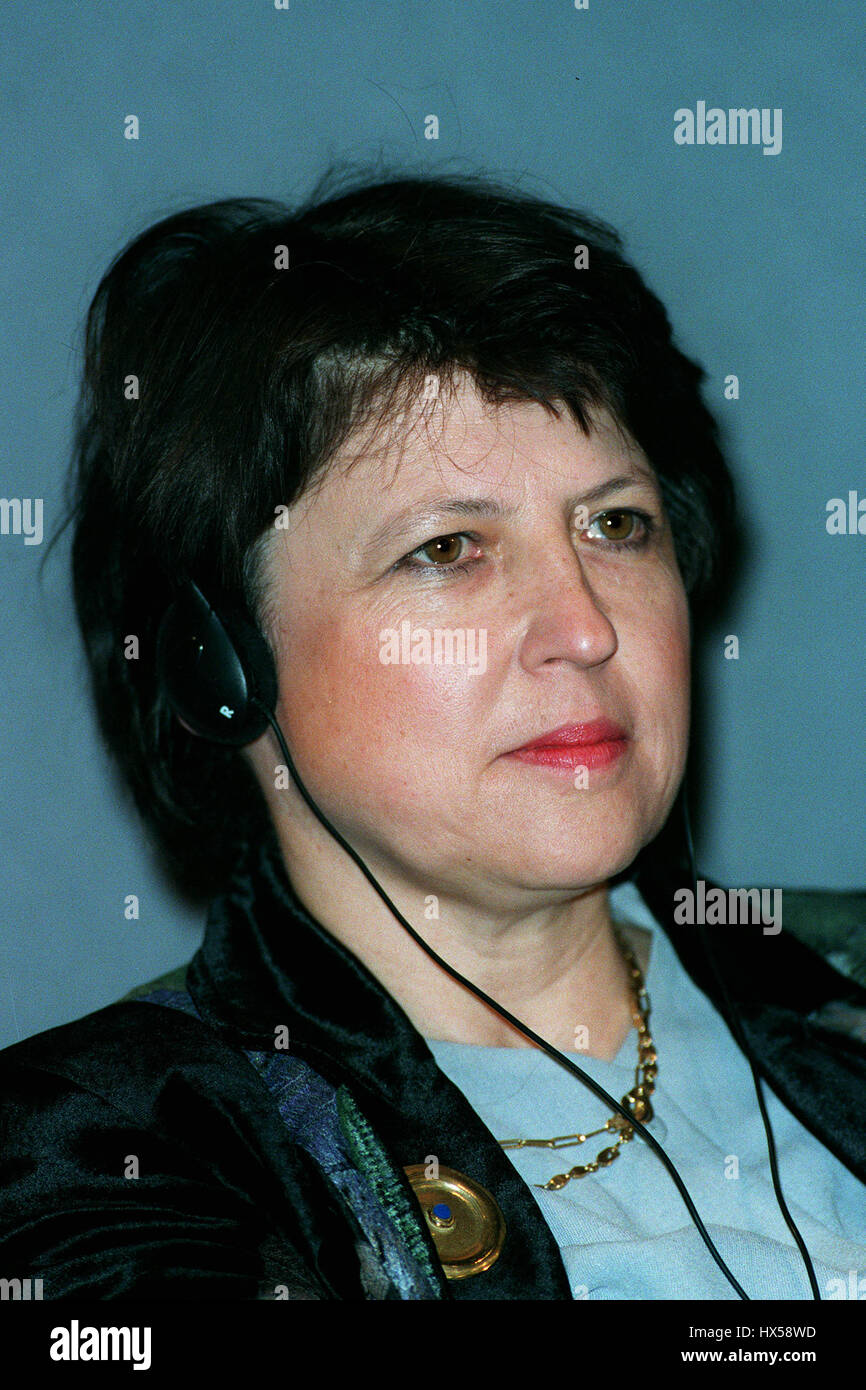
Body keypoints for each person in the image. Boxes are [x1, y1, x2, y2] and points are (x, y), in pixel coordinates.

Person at [2, 168, 864, 1301]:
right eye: (447, 549)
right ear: (222, 667)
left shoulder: (832, 980)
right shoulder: (108, 1148)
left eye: (615, 524)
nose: (586, 629)